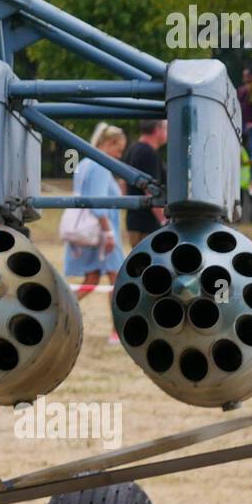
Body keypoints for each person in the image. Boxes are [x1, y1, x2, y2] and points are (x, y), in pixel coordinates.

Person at [64, 123, 126, 343]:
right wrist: (109, 234)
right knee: (116, 280)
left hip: (91, 231)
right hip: (103, 231)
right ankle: (117, 331)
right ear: (108, 144)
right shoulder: (100, 166)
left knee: (91, 278)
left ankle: (58, 312)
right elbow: (98, 204)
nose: (119, 155)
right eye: (118, 150)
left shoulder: (84, 163)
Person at [123, 119, 167, 248]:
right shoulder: (148, 153)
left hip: (134, 220)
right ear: (156, 130)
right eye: (166, 128)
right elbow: (151, 191)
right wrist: (164, 221)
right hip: (148, 225)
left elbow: (123, 184)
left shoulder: (132, 149)